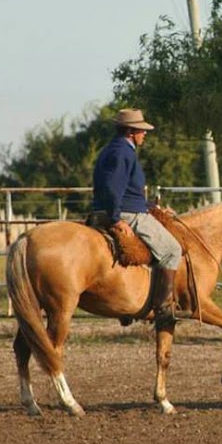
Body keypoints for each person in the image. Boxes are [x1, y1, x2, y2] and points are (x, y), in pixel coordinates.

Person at [92, 107, 183, 321]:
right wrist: (116, 219)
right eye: (141, 130)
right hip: (126, 214)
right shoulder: (124, 152)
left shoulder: (110, 149)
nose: (145, 134)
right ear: (130, 132)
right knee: (172, 250)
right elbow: (113, 187)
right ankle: (163, 307)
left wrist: (152, 207)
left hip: (121, 208)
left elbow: (125, 189)